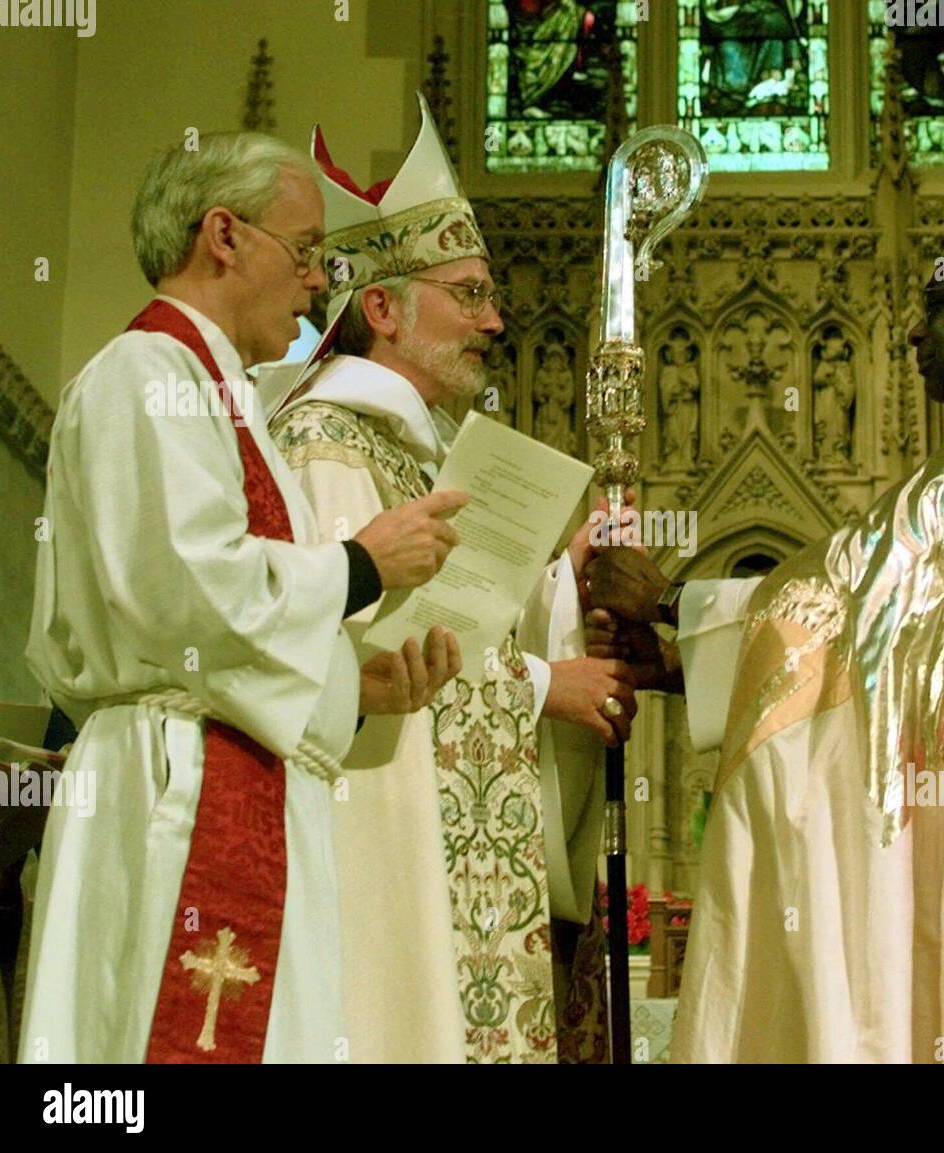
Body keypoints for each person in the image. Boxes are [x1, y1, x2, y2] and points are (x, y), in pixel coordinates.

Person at [588, 127, 944, 1062]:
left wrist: (673, 601)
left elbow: (859, 604)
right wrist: (683, 659)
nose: (909, 330)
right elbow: (905, 636)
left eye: (939, 301)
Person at [19, 131, 462, 1063]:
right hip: (175, 788)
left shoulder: (224, 399)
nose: (315, 285)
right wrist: (362, 565)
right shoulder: (148, 377)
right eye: (304, 252)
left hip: (230, 770)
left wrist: (354, 687)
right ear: (224, 235)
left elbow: (226, 620)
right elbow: (191, 592)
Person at [269, 96, 632, 1063]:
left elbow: (453, 626)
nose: (496, 318)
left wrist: (558, 585)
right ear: (380, 308)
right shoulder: (326, 446)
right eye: (468, 293)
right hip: (375, 831)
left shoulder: (412, 454)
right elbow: (351, 669)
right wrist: (546, 687)